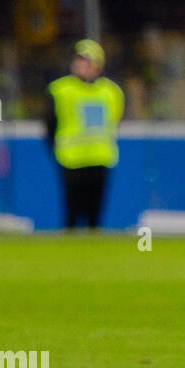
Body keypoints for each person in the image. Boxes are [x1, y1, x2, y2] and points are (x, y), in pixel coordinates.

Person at [45, 40, 125, 230]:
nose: (82, 66)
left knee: (95, 211)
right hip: (71, 158)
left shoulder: (111, 91)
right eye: (79, 61)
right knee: (71, 209)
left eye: (88, 62)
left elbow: (114, 120)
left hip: (100, 156)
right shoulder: (61, 90)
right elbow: (49, 124)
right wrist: (55, 149)